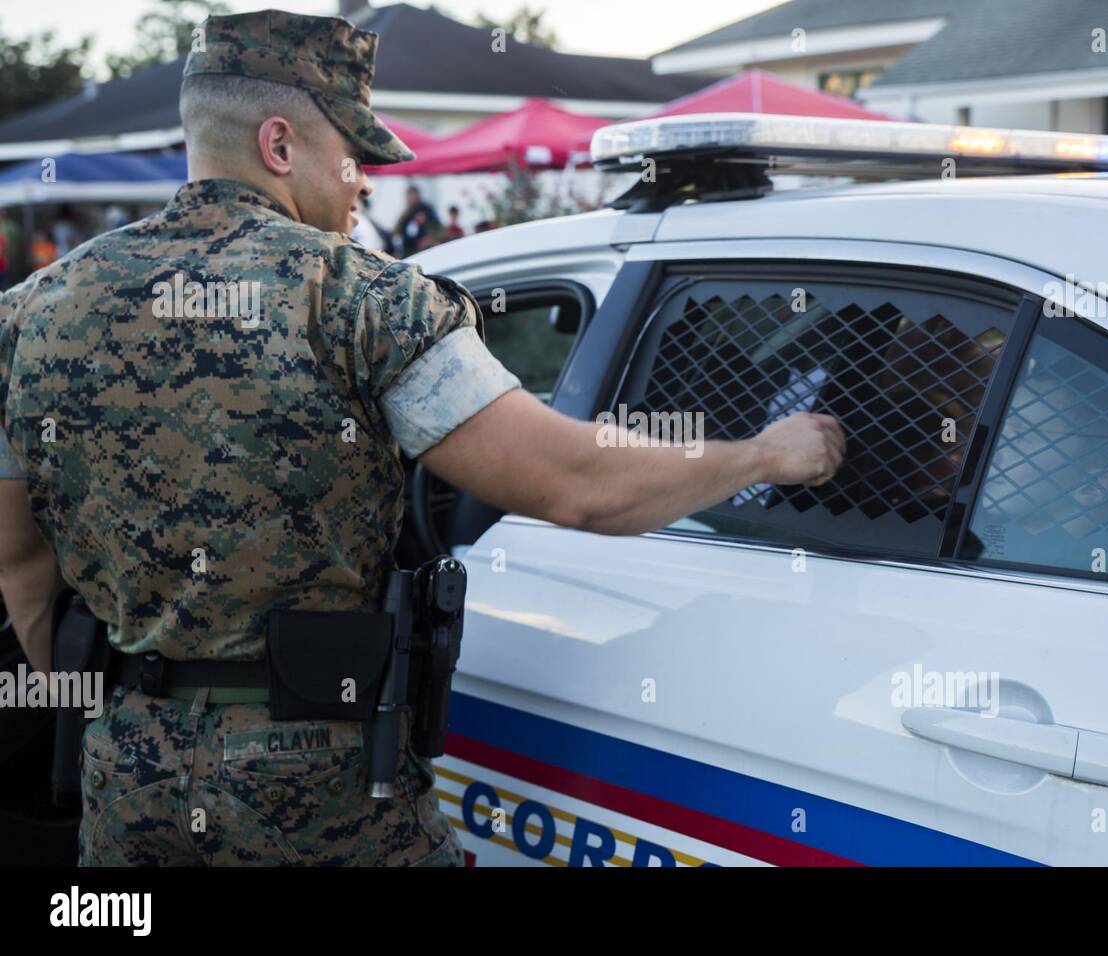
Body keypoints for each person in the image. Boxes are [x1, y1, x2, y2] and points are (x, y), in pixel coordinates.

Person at [0, 10, 844, 867]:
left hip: (125, 787)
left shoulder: (29, 313)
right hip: (320, 793)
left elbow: (22, 575)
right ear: (281, 145)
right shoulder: (364, 301)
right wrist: (767, 455)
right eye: (354, 155)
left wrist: (132, 705)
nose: (364, 182)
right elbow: (579, 484)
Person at [394, 185, 440, 256]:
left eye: (412, 196)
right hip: (408, 250)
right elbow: (397, 231)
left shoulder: (427, 210)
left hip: (424, 250)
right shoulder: (406, 213)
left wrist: (429, 239)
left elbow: (437, 228)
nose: (409, 198)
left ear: (417, 196)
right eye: (408, 196)